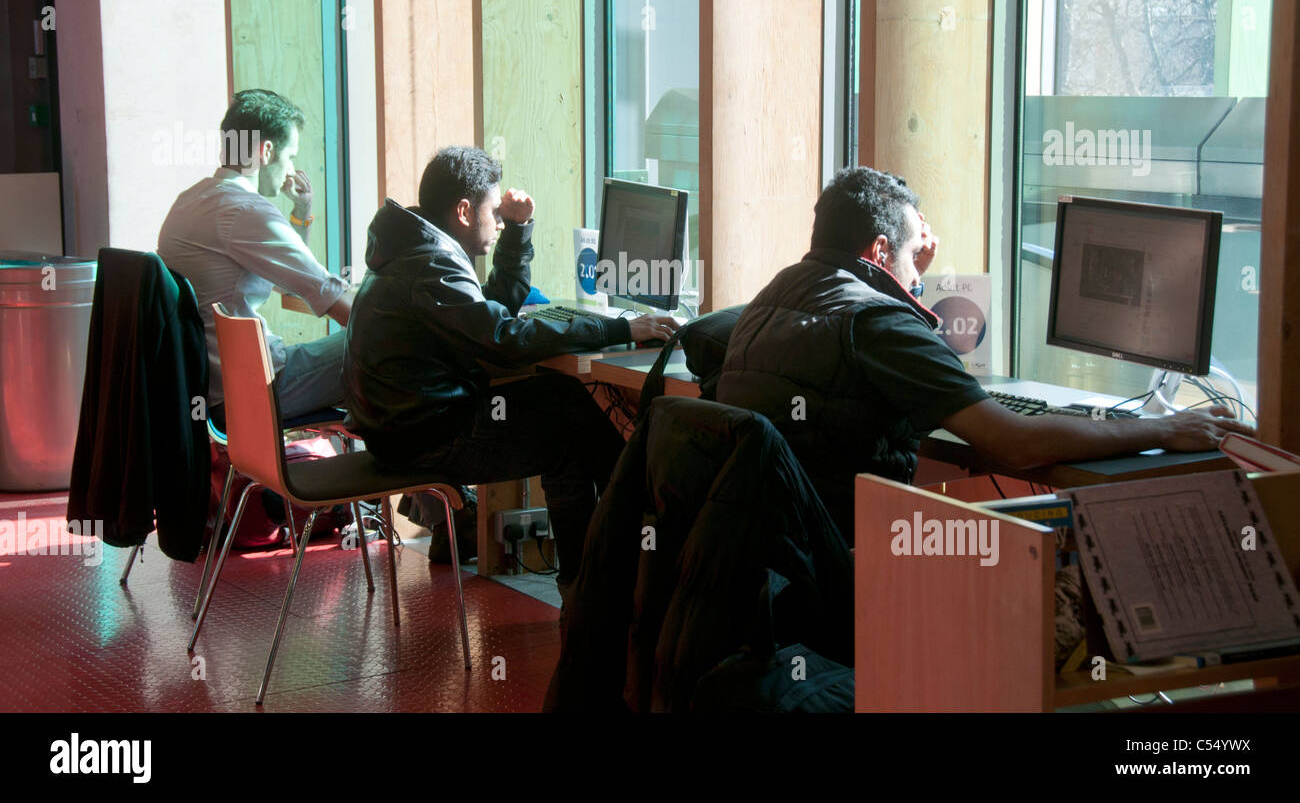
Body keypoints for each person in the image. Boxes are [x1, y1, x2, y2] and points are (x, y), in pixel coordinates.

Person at [716, 166, 1253, 539]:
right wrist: (1162, 430)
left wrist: (908, 280)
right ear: (879, 252)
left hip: (769, 557)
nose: (918, 266)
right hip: (846, 558)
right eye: (911, 253)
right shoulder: (877, 321)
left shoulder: (776, 293)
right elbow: (1013, 443)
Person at [343, 145, 677, 589]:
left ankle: (597, 583)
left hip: (402, 427)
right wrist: (619, 330)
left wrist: (518, 232)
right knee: (579, 429)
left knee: (572, 401)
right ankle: (600, 584)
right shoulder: (430, 264)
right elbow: (502, 339)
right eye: (494, 211)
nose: (498, 221)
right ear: (464, 211)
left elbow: (490, 313)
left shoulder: (412, 249)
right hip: (425, 438)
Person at [158, 89, 352, 420]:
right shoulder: (245, 210)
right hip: (256, 390)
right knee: (386, 342)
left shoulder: (189, 200)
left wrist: (301, 211)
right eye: (290, 156)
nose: (292, 169)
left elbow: (290, 282)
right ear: (265, 151)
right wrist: (390, 328)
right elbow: (327, 294)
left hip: (212, 389)